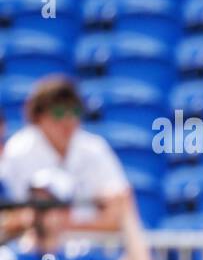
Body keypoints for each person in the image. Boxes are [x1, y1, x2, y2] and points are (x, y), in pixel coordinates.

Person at [0, 168, 151, 260]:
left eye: (48, 203)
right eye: (34, 200)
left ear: (67, 213)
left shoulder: (82, 257)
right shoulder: (8, 259)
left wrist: (126, 212)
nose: (39, 210)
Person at [0, 76, 131, 233]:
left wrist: (62, 226)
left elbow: (119, 212)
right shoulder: (18, 152)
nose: (68, 120)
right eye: (59, 112)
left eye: (75, 112)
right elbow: (11, 218)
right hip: (32, 252)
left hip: (91, 250)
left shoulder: (94, 148)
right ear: (39, 117)